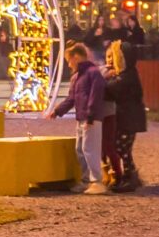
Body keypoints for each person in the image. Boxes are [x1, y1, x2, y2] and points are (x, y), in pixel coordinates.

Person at [51, 42, 110, 191]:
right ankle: (86, 180)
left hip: (91, 118)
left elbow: (95, 96)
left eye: (69, 61)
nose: (69, 65)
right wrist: (57, 111)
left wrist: (90, 117)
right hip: (82, 117)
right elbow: (72, 98)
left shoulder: (92, 73)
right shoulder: (78, 76)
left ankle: (96, 181)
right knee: (80, 149)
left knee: (89, 148)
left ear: (76, 57)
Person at [100, 37, 147, 190]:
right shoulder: (127, 74)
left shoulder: (126, 77)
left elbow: (108, 90)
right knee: (122, 148)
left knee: (121, 148)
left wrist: (104, 78)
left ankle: (129, 177)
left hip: (128, 120)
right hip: (128, 118)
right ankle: (129, 175)